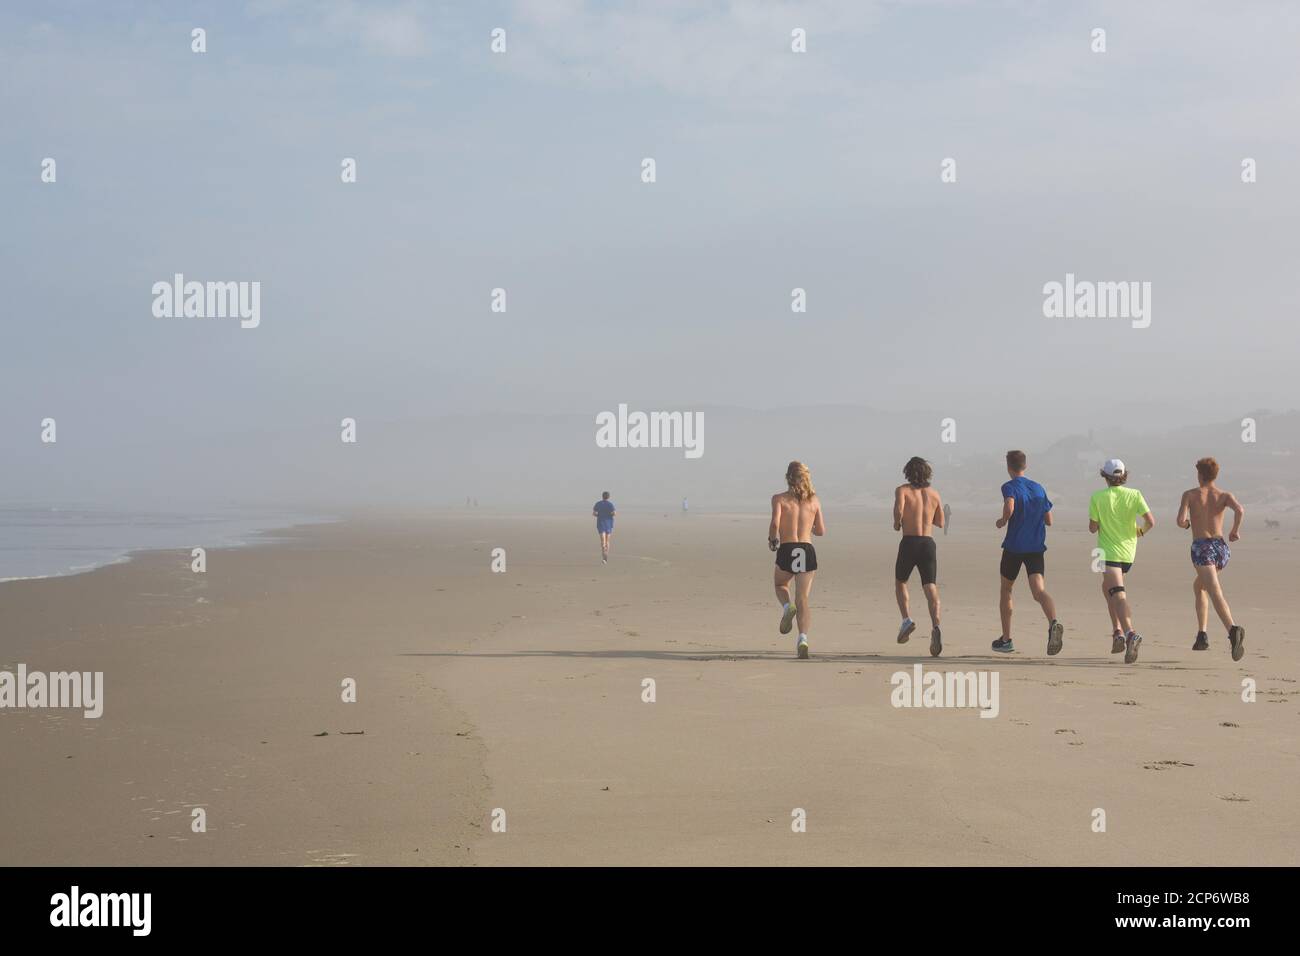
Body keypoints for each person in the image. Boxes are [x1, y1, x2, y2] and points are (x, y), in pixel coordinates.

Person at [993, 450, 1064, 655]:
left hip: (1014, 547)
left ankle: (1006, 640)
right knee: (1039, 591)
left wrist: (1003, 520)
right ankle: (1053, 623)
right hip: (1036, 548)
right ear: (1025, 466)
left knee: (1006, 590)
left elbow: (1010, 505)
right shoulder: (1039, 488)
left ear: (1008, 467)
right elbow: (1049, 519)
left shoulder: (1009, 486)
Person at [1176, 457, 1246, 660]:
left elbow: (1180, 521)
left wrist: (1188, 524)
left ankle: (1233, 629)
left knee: (1214, 591)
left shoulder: (1190, 495)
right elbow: (1240, 510)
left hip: (1202, 548)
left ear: (1199, 475)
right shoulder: (1224, 495)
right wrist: (1234, 531)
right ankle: (1202, 635)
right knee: (1199, 587)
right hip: (1221, 548)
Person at [1088, 459, 1154, 664]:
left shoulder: (1098, 497)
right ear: (1123, 475)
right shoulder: (1135, 494)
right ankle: (1117, 632)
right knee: (1107, 589)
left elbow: (1092, 528)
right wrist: (1140, 532)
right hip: (1128, 552)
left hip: (1105, 552)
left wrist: (1101, 522)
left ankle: (1130, 633)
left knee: (1117, 593)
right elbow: (1151, 521)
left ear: (1105, 476)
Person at [769, 461, 825, 659]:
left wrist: (772, 539)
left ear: (788, 477)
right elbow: (820, 530)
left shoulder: (779, 499)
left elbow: (775, 522)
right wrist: (807, 525)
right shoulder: (814, 501)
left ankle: (786, 606)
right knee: (803, 598)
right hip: (807, 548)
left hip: (787, 547)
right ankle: (802, 638)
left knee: (780, 584)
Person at [894, 457, 944, 657]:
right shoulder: (934, 494)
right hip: (928, 543)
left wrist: (898, 524)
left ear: (908, 472)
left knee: (901, 582)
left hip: (909, 542)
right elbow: (940, 521)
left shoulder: (902, 490)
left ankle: (906, 619)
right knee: (930, 585)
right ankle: (936, 626)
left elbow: (898, 511)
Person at [592, 492, 616, 563]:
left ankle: (604, 556)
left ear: (602, 496)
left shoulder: (598, 504)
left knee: (603, 541)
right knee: (607, 541)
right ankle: (606, 556)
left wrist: (599, 515)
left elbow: (594, 513)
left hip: (601, 523)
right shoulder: (610, 504)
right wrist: (609, 514)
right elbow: (614, 513)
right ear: (608, 497)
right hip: (608, 523)